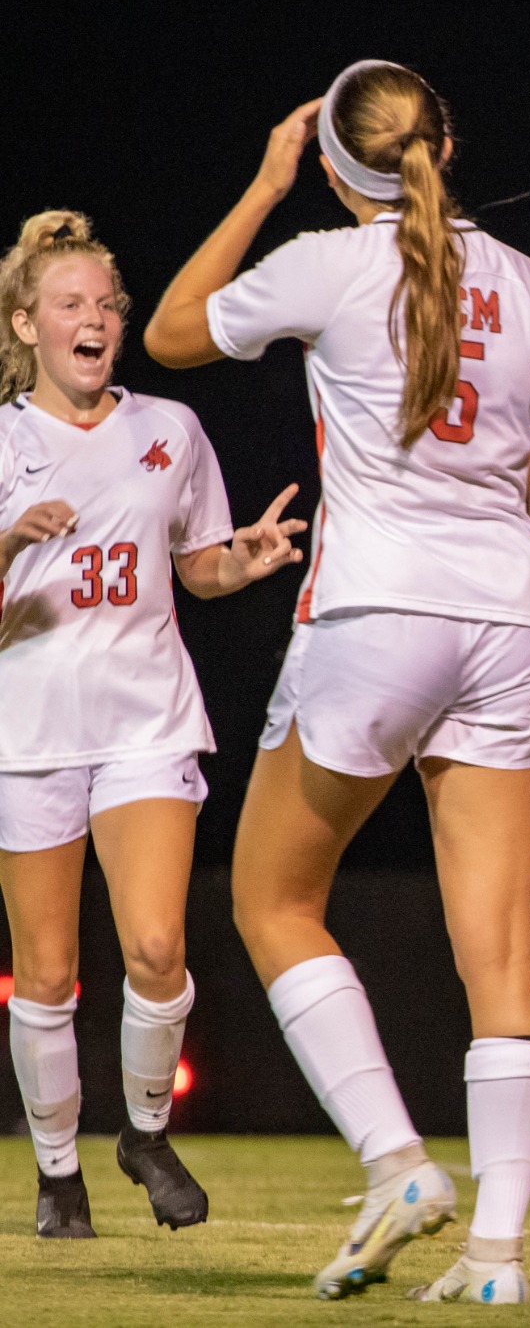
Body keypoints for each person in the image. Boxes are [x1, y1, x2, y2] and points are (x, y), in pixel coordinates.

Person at [143, 61, 530, 1301]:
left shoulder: (328, 262)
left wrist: (265, 181)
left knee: (271, 897)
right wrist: (527, 641)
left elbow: (172, 330)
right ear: (444, 143)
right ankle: (497, 1256)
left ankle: (396, 1158)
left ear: (342, 165)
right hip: (507, 622)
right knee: (500, 945)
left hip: (376, 613)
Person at [0, 210, 304, 1240]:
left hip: (146, 722)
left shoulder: (168, 430)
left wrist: (242, 560)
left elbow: (197, 565)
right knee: (44, 973)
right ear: (24, 323)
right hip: (29, 733)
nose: (94, 320)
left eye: (107, 305)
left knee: (158, 945)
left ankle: (142, 1129)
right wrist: (7, 546)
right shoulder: (3, 443)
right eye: (69, 304)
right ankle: (55, 1170)